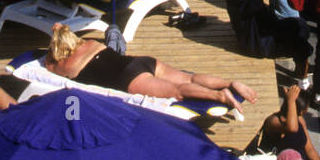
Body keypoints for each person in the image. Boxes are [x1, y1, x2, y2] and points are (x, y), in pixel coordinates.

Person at [45, 23, 257, 110]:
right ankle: (229, 83)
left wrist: (52, 43)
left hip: (127, 78)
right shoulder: (91, 44)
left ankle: (220, 96)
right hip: (138, 61)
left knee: (178, 92)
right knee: (187, 78)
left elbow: (48, 65)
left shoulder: (67, 65)